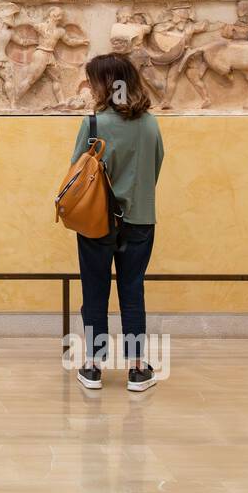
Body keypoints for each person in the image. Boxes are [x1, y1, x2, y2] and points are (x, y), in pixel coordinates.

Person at [70, 54, 165, 393]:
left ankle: (93, 366)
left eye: (94, 80)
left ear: (106, 84)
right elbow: (155, 168)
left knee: (94, 290)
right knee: (132, 290)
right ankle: (138, 368)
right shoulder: (151, 124)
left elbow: (77, 174)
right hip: (140, 219)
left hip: (97, 222)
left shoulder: (94, 124)